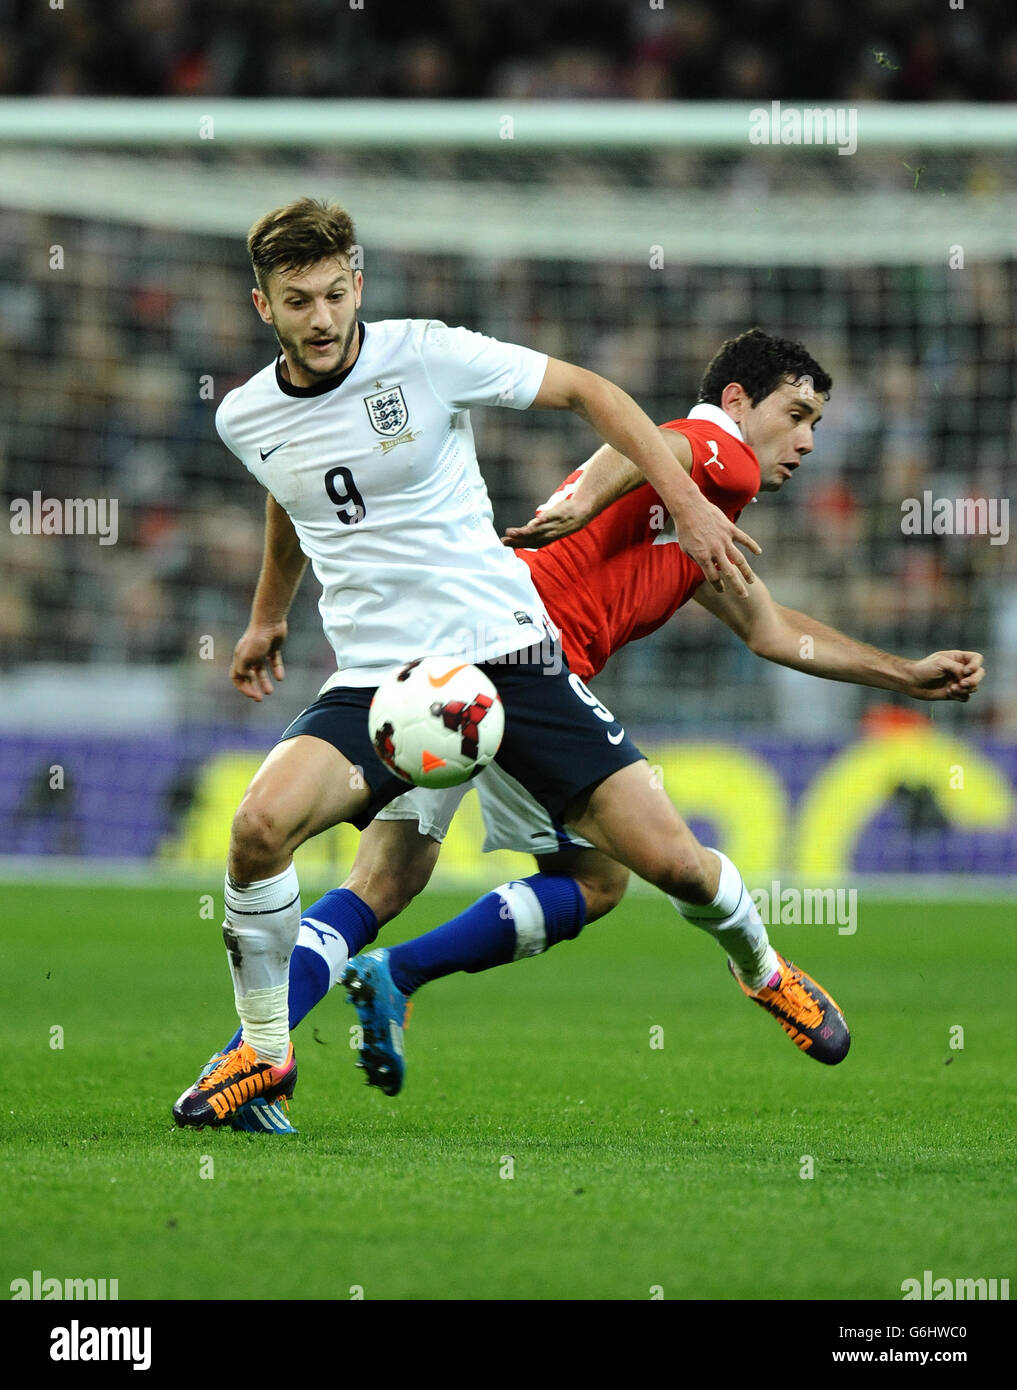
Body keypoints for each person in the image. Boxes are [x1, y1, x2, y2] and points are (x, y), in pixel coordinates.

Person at [209, 326, 985, 1127]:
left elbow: (770, 630)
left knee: (402, 882)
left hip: (450, 663)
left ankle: (276, 1045)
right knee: (655, 869)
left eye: (816, 422)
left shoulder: (696, 525)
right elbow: (665, 444)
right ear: (736, 402)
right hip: (516, 663)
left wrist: (902, 674)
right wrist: (586, 498)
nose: (807, 440)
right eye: (796, 413)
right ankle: (760, 969)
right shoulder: (717, 452)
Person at [171, 197, 762, 1129]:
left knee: (669, 870)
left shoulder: (426, 353)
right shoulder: (245, 417)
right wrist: (266, 618)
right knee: (256, 831)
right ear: (263, 308)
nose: (321, 318)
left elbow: (591, 393)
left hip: (506, 652)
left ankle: (763, 971)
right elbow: (292, 498)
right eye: (297, 302)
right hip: (377, 682)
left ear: (357, 283)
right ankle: (264, 1057)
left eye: (334, 293)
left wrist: (684, 502)